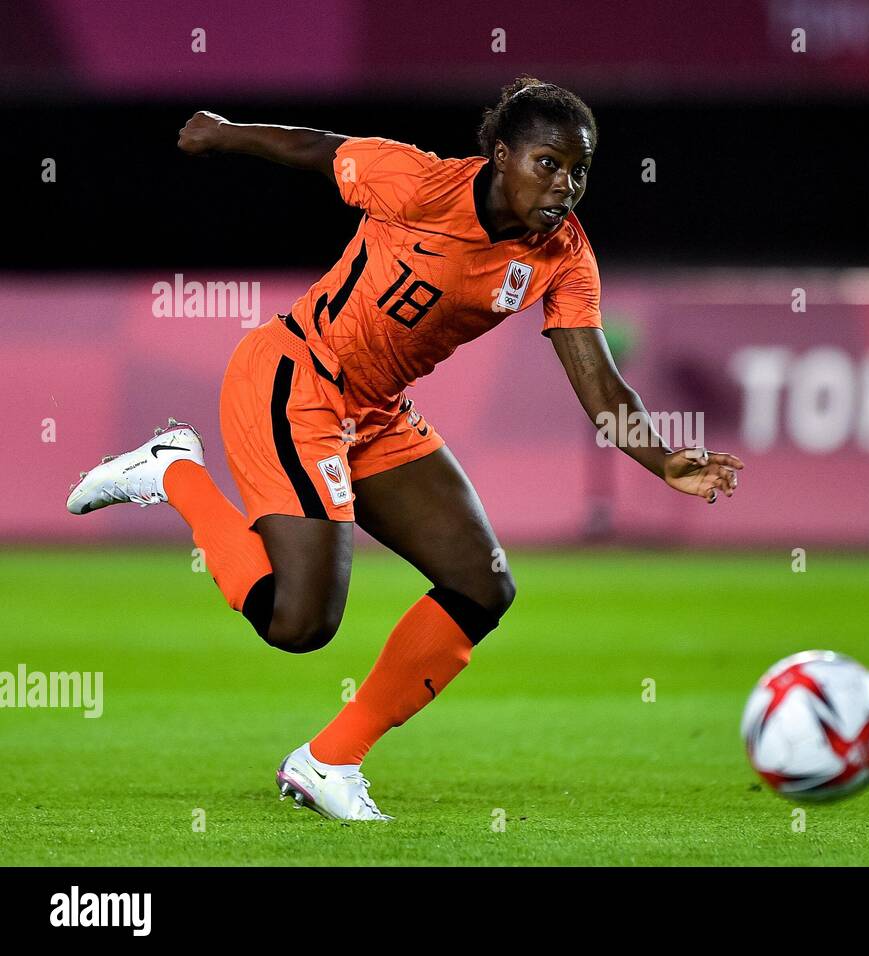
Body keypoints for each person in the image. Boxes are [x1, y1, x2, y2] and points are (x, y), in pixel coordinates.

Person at [65, 77, 743, 821]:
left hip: (377, 415)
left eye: (579, 170)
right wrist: (225, 130)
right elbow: (320, 150)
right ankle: (173, 470)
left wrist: (667, 458)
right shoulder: (418, 183)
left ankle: (328, 761)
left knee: (481, 585)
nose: (566, 186)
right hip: (297, 382)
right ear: (499, 155)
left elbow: (601, 385)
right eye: (548, 163)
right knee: (299, 624)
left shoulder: (564, 255)